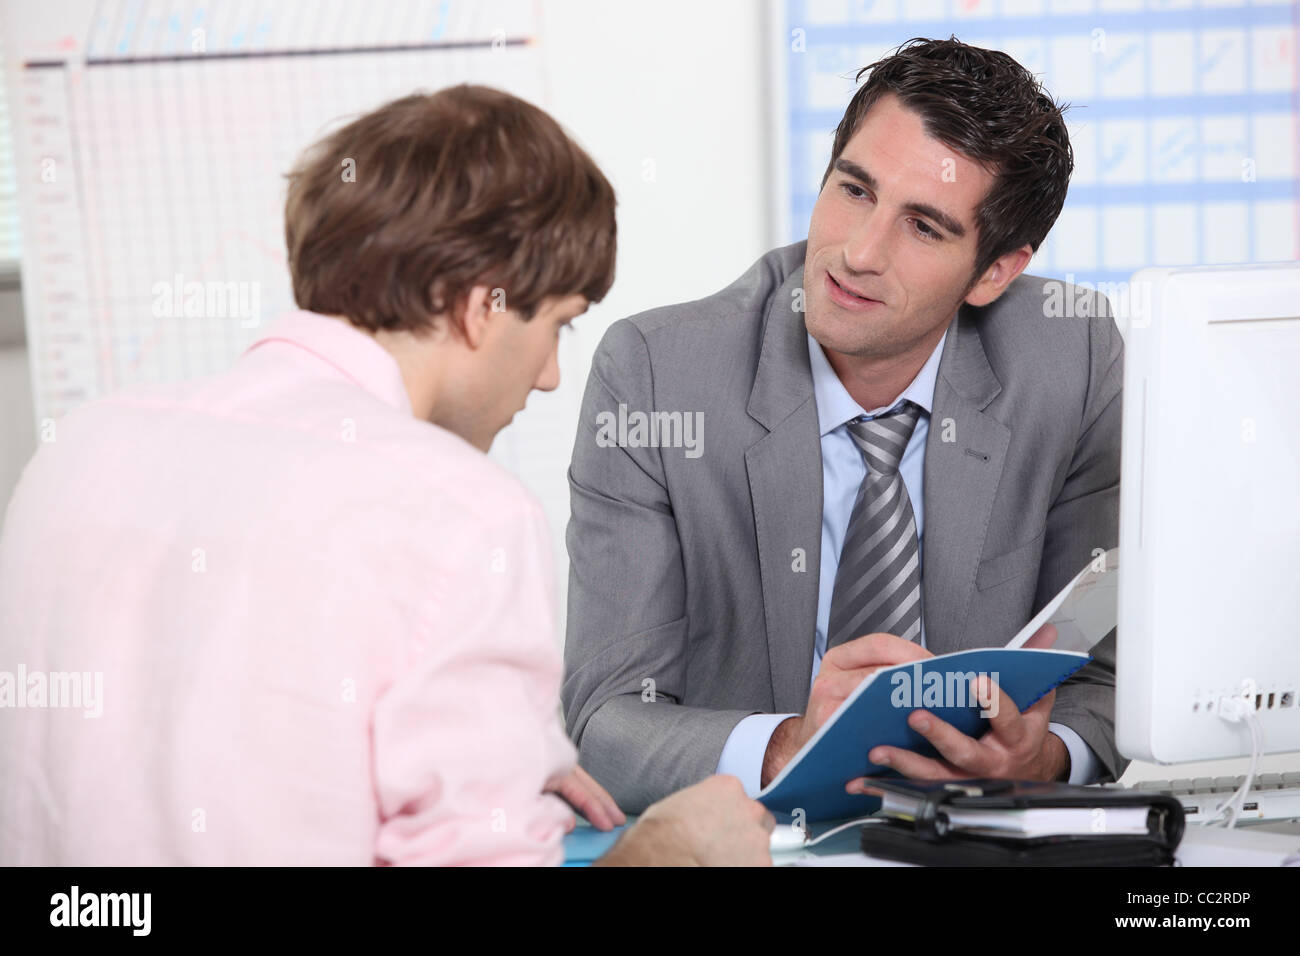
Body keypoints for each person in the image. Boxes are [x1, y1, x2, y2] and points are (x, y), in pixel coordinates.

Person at [0, 85, 773, 866]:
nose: (548, 376)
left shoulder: (80, 448)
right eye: (556, 325)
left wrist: (490, 765)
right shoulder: (465, 515)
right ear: (481, 308)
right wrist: (664, 855)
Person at [563, 37, 1127, 814]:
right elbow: (604, 719)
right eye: (855, 190)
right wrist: (792, 742)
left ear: (996, 271)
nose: (858, 254)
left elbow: (1106, 669)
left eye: (924, 227)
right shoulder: (657, 378)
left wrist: (1047, 755)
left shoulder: (1072, 359)